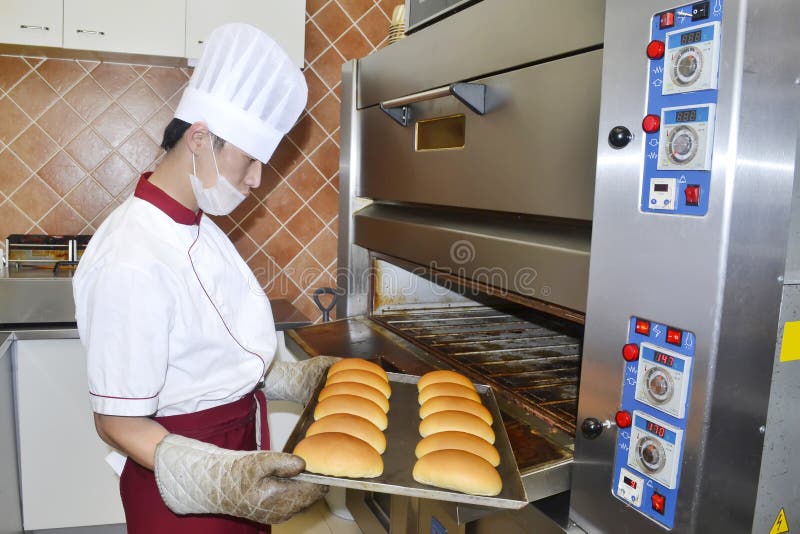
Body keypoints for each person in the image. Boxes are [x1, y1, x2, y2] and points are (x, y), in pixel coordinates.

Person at [73, 23, 335, 533]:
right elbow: (115, 421)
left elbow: (203, 355)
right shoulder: (129, 255)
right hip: (180, 482)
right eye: (250, 160)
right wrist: (216, 477)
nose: (256, 179)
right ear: (199, 139)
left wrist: (282, 378)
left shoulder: (201, 226)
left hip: (239, 455)